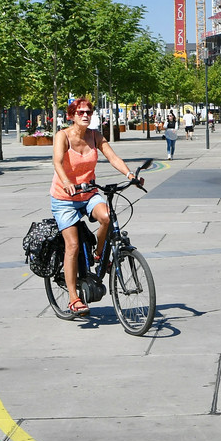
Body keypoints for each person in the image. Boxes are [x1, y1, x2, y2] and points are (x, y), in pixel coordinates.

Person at [50, 97, 141, 316]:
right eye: (80, 112)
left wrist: (129, 174)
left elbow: (113, 157)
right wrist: (67, 182)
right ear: (72, 115)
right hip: (65, 197)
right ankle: (74, 298)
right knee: (71, 245)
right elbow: (57, 162)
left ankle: (99, 255)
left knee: (107, 217)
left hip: (88, 193)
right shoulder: (62, 136)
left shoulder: (95, 136)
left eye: (88, 112)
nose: (85, 115)